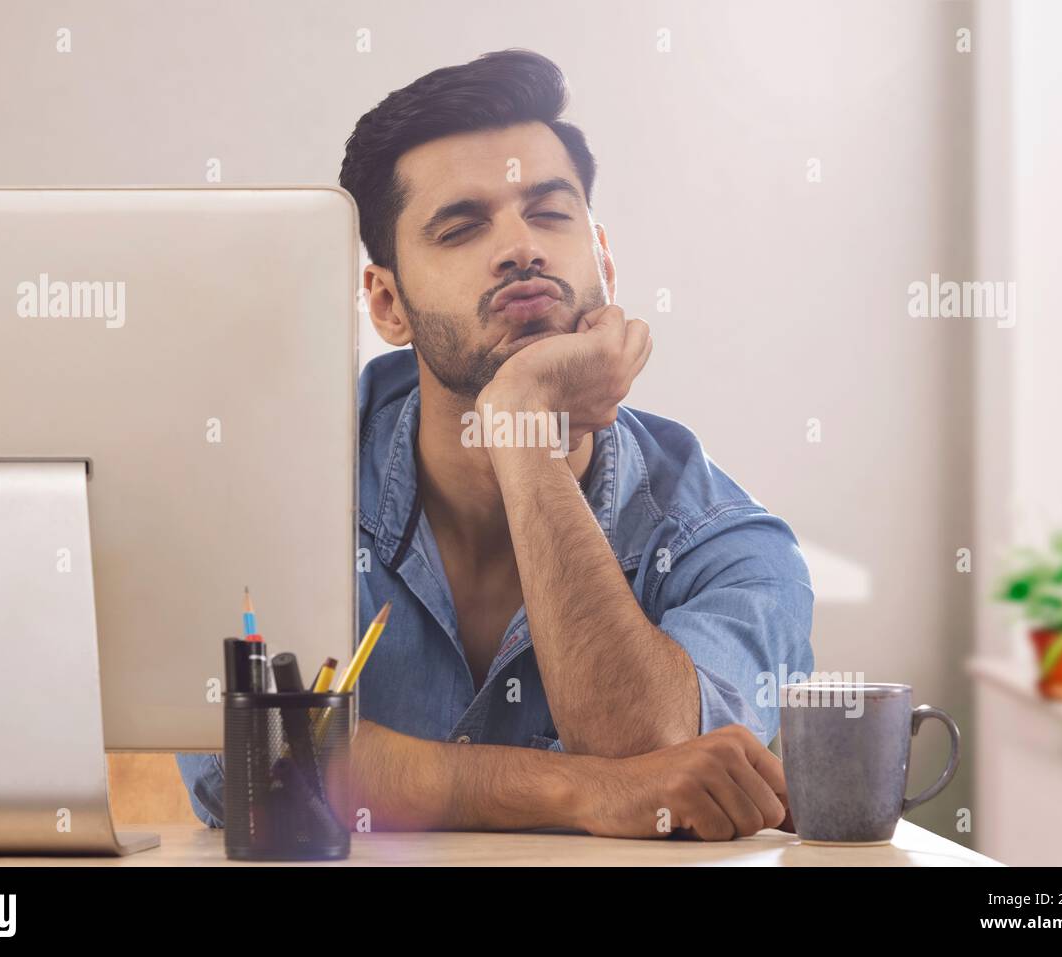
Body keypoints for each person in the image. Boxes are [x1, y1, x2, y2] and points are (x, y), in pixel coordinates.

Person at [178, 48, 815, 841]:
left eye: (549, 213)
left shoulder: (729, 544)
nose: (521, 247)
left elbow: (665, 776)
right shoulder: (280, 489)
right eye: (461, 227)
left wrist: (522, 428)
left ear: (604, 261)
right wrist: (572, 790)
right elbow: (246, 759)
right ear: (387, 304)